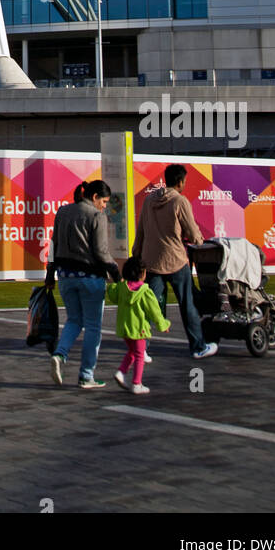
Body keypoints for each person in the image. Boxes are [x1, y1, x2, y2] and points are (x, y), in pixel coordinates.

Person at [132, 163, 217, 360]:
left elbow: (141, 231)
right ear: (180, 182)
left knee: (148, 306)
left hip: (152, 261)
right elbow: (193, 233)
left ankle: (141, 348)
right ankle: (198, 346)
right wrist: (199, 241)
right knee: (187, 305)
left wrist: (137, 254)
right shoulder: (180, 201)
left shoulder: (149, 200)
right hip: (176, 261)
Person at [48, 180, 119, 389]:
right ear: (95, 197)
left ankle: (60, 354)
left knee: (73, 320)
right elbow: (100, 251)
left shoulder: (62, 212)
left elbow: (54, 245)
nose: (105, 206)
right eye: (104, 201)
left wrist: (50, 273)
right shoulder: (96, 216)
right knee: (93, 327)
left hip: (65, 277)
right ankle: (86, 375)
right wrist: (115, 272)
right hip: (90, 277)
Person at [106, 256, 171, 394]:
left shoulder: (122, 288)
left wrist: (112, 284)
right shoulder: (145, 291)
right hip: (139, 329)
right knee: (140, 355)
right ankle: (136, 383)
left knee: (133, 352)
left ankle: (121, 372)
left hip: (125, 328)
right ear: (142, 274)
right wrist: (163, 324)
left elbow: (112, 295)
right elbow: (155, 311)